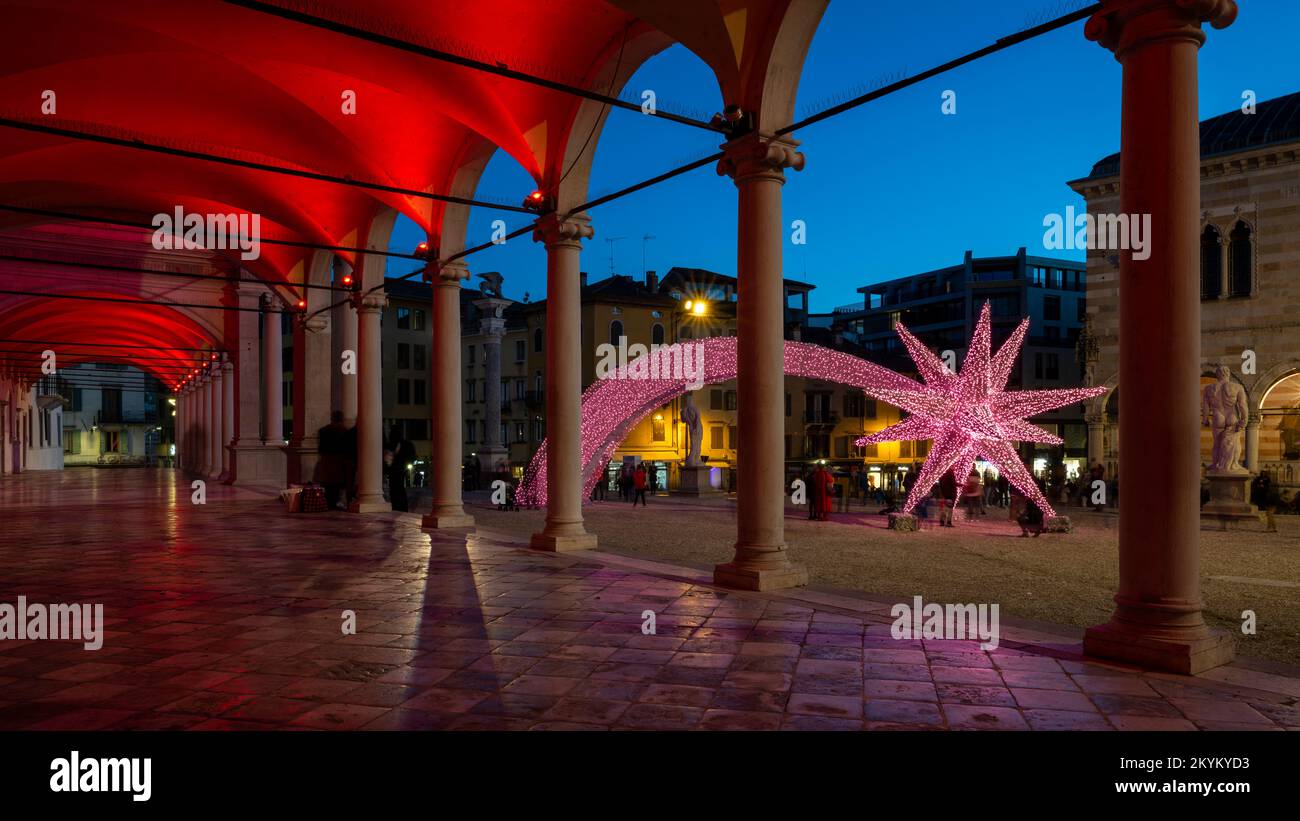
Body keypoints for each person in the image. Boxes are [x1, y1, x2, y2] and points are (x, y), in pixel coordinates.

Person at [316, 411, 348, 510]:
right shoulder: (344, 431)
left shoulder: (323, 430)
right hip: (338, 460)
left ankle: (329, 503)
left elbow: (320, 448)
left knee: (328, 484)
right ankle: (334, 503)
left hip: (326, 460)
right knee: (337, 484)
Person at [387, 431, 416, 512]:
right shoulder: (406, 444)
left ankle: (397, 506)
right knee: (399, 488)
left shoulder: (394, 443)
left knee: (395, 488)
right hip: (399, 469)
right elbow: (412, 456)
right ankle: (400, 507)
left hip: (396, 469)